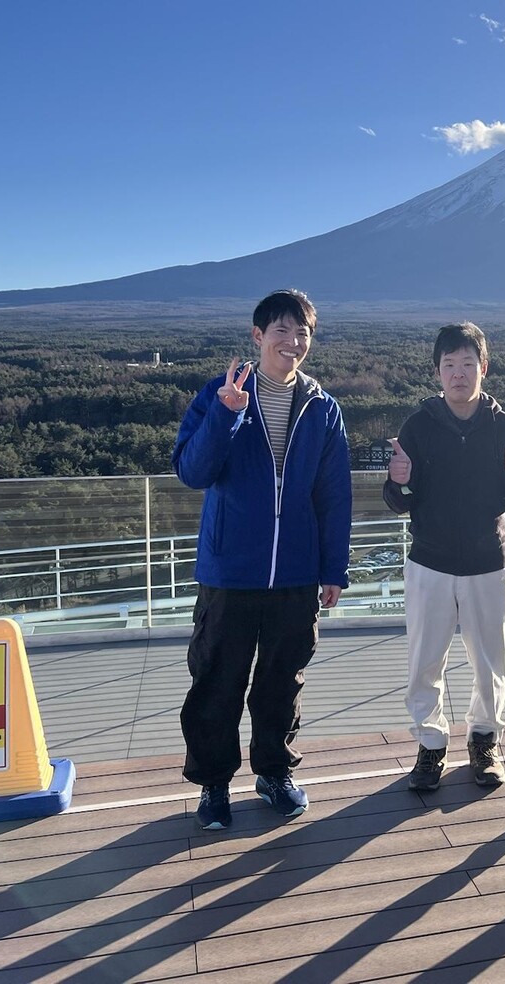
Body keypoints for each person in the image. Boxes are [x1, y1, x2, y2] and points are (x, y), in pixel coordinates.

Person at [173, 289, 352, 829]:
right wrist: (226, 415)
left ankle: (274, 772)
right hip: (231, 569)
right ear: (257, 336)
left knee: (282, 679)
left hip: (295, 573)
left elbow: (333, 494)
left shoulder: (322, 407)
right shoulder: (221, 394)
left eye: (302, 334)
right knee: (217, 679)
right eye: (281, 330)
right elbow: (192, 471)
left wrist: (332, 568)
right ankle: (214, 784)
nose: (292, 342)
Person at [383, 322, 505, 791]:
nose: (458, 373)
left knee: (489, 662)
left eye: (467, 364)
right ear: (437, 372)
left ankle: (484, 740)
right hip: (429, 561)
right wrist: (399, 479)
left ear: (483, 368)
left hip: (488, 562)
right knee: (425, 660)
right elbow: (400, 500)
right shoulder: (418, 424)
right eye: (449, 364)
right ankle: (430, 745)